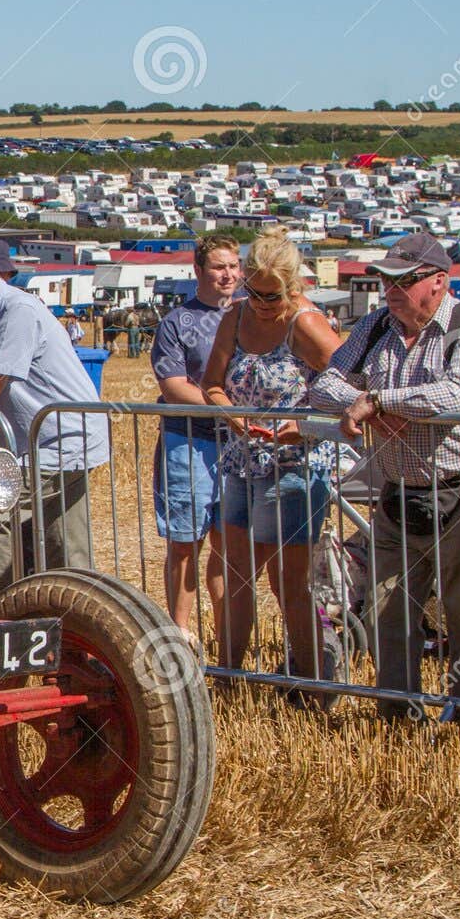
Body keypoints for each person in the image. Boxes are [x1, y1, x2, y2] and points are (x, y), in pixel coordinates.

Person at [309, 232, 460, 727]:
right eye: (385, 279)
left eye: (404, 279)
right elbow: (326, 383)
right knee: (387, 609)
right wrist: (373, 404)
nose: (390, 289)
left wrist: (377, 402)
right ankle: (398, 715)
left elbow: (456, 394)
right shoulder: (376, 324)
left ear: (439, 282)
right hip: (398, 493)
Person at [200, 227, 342, 685]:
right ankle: (229, 675)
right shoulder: (235, 317)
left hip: (294, 469)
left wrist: (303, 426)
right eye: (253, 292)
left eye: (270, 295)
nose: (260, 302)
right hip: (241, 462)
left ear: (292, 287)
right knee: (236, 574)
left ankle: (311, 678)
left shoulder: (307, 323)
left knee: (287, 582)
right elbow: (212, 385)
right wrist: (234, 416)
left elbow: (349, 389)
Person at [0, 242, 110, 595]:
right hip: (44, 442)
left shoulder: (19, 312)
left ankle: (4, 608)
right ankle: (68, 622)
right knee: (65, 544)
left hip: (63, 439)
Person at [150, 234, 242, 640]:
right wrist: (227, 409)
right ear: (199, 272)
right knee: (185, 543)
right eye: (219, 267)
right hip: (188, 442)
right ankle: (180, 633)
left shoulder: (248, 318)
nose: (228, 274)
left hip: (240, 447)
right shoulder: (176, 323)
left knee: (229, 547)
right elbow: (173, 387)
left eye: (234, 266)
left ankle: (227, 638)